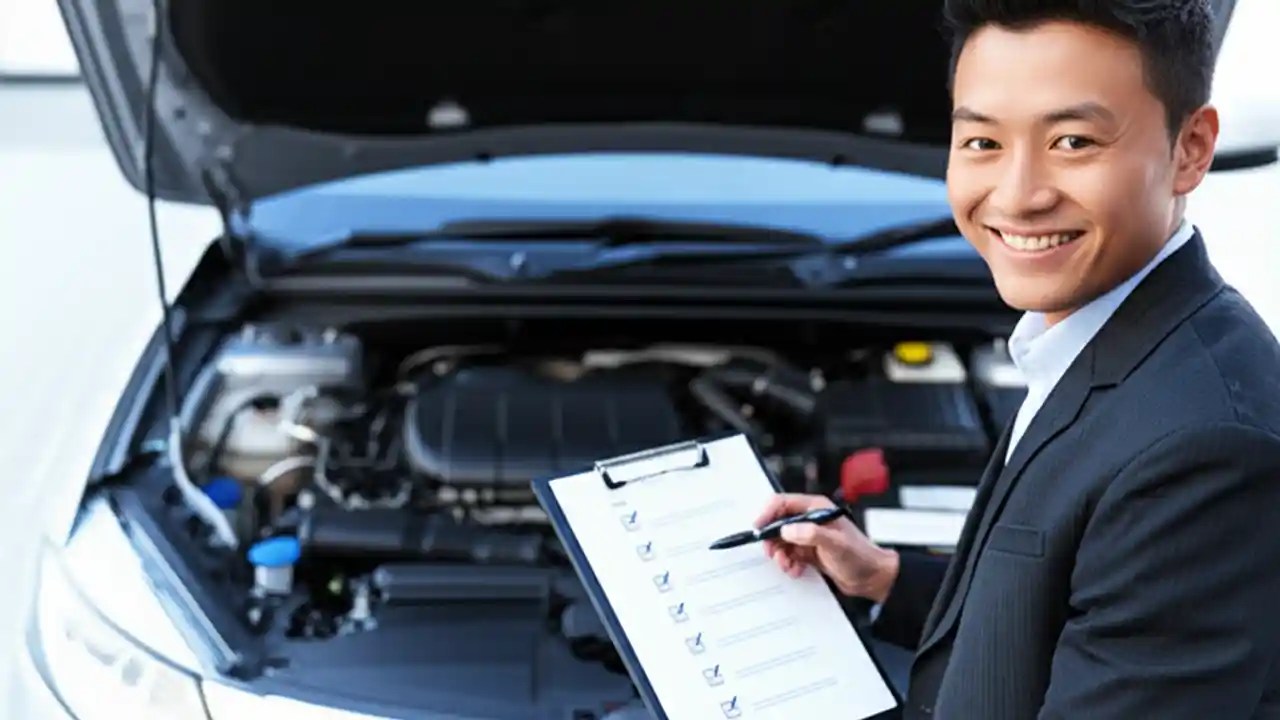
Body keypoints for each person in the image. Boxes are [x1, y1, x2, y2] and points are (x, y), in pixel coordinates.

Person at [754, 1, 1280, 717]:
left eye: (1071, 141)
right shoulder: (1104, 337)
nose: (1018, 195)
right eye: (981, 144)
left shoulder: (1206, 449)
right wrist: (884, 578)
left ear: (1190, 148)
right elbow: (1066, 599)